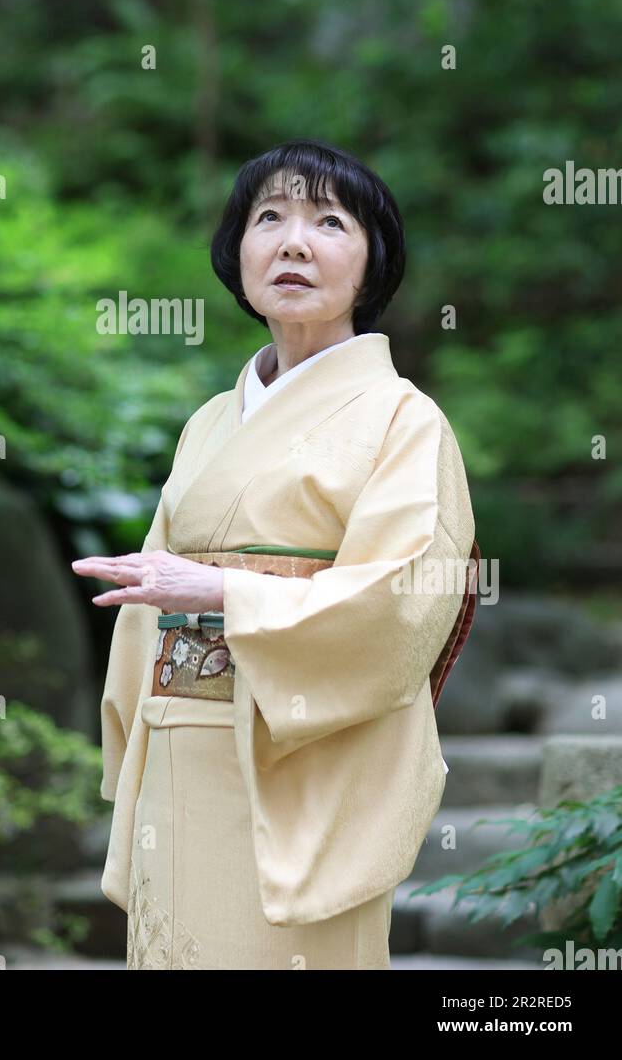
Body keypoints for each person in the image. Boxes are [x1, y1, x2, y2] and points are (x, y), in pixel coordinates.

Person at [72, 139, 477, 970]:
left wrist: (224, 590)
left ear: (371, 267)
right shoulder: (210, 422)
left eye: (327, 222)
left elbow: (403, 600)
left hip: (306, 756)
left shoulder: (404, 420)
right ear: (237, 253)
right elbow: (161, 583)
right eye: (268, 218)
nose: (292, 242)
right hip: (180, 739)